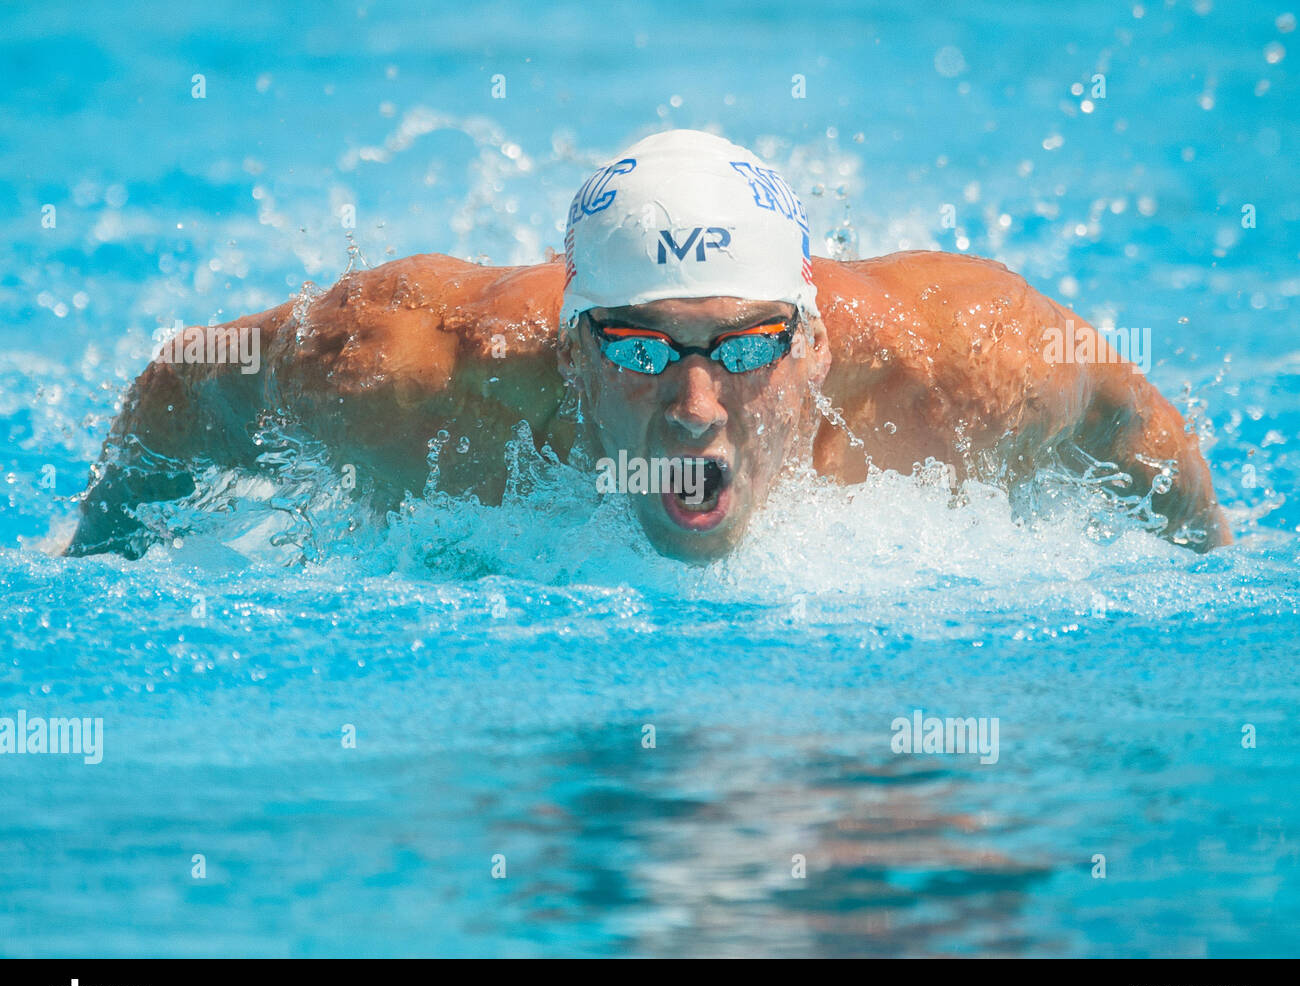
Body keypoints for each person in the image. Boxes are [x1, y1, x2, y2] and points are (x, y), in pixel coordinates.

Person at [65, 129, 1231, 561]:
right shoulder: (410, 379)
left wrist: (1215, 567)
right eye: (638, 349)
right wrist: (99, 558)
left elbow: (1131, 421)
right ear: (569, 351)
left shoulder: (961, 366)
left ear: (814, 342)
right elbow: (189, 381)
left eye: (744, 347)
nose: (692, 405)